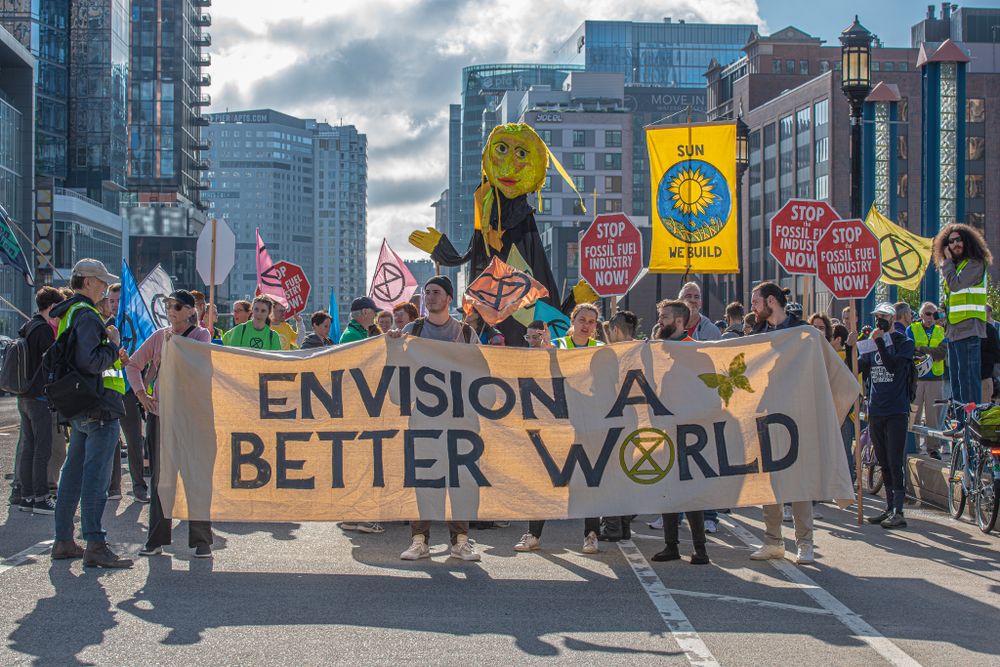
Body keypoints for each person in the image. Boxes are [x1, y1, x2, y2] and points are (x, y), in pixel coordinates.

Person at [49, 259, 133, 568]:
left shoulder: (70, 312)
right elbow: (90, 362)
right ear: (87, 282)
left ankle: (63, 540)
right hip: (99, 406)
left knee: (72, 474)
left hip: (81, 404)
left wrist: (111, 354)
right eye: (101, 282)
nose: (104, 288)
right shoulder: (87, 315)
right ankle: (95, 543)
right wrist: (113, 345)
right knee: (96, 479)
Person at [392, 276, 480, 561]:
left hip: (460, 419)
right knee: (425, 479)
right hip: (425, 418)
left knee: (461, 480)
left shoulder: (465, 333)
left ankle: (461, 541)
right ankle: (420, 540)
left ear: (449, 298)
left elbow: (481, 371)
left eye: (436, 292)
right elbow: (400, 370)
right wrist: (393, 347)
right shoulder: (412, 330)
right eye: (427, 292)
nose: (430, 297)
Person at [126, 290, 214, 558]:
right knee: (161, 480)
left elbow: (199, 366)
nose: (170, 311)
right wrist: (141, 395)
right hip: (161, 416)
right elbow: (133, 365)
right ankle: (156, 540)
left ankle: (201, 541)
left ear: (190, 311)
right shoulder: (159, 336)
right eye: (167, 306)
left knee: (195, 477)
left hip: (190, 418)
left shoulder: (201, 335)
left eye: (176, 306)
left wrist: (174, 345)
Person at [516, 304, 604, 554]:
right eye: (582, 319)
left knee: (589, 479)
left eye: (591, 321)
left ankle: (591, 535)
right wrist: (545, 350)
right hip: (557, 421)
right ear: (572, 321)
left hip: (587, 421)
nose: (586, 325)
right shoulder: (557, 344)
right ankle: (533, 534)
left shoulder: (600, 348)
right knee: (547, 477)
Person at [748, 281, 815, 564]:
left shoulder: (802, 332)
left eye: (756, 302)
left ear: (771, 301)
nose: (753, 307)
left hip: (797, 414)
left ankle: (805, 543)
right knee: (769, 480)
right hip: (765, 414)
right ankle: (773, 541)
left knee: (798, 480)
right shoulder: (757, 334)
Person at [650, 300, 710, 565]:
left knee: (691, 490)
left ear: (678, 321)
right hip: (665, 429)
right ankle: (671, 545)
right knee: (668, 489)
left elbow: (708, 392)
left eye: (664, 316)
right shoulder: (658, 350)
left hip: (690, 430)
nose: (659, 321)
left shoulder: (695, 351)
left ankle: (700, 548)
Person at [859, 302, 915, 530]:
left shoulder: (904, 343)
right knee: (882, 461)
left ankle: (898, 511)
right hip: (876, 409)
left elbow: (892, 367)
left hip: (896, 410)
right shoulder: (872, 343)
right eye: (877, 317)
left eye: (883, 317)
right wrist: (853, 346)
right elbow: (858, 367)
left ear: (892, 319)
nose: (879, 321)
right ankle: (889, 507)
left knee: (894, 461)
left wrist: (880, 342)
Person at [934, 223, 992, 424]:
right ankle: (961, 424)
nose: (955, 244)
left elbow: (955, 285)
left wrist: (946, 262)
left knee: (968, 381)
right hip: (953, 331)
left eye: (959, 240)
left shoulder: (975, 263)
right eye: (951, 242)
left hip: (969, 329)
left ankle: (971, 423)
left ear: (967, 241)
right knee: (957, 382)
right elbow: (954, 296)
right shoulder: (956, 267)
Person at [15, 287, 65, 515]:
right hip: (39, 396)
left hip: (24, 395)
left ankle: (26, 497)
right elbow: (53, 361)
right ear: (52, 306)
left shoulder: (28, 326)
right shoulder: (43, 329)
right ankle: (41, 497)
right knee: (42, 449)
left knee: (29, 447)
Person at [908, 302, 948, 459]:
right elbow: (911, 350)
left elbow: (941, 353)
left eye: (934, 314)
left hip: (935, 378)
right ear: (921, 315)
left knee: (934, 416)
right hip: (917, 378)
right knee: (914, 413)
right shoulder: (912, 329)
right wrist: (929, 352)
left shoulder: (941, 331)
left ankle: (933, 448)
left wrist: (922, 349)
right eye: (927, 313)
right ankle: (913, 446)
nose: (931, 317)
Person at [981, 304, 999, 405]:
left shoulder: (993, 328)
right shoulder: (967, 328)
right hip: (972, 376)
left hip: (987, 372)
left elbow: (996, 353)